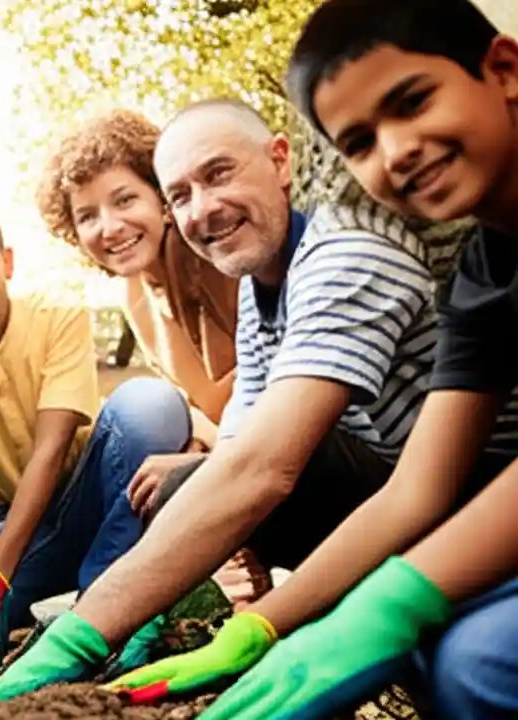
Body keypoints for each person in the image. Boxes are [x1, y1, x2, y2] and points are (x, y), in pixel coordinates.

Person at [0, 98, 474, 704]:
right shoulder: (255, 288)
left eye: (219, 174)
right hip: (403, 490)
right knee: (192, 484)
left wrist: (250, 629)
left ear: (281, 161)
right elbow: (236, 453)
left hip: (471, 499)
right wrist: (100, 627)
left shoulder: (344, 251)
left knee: (230, 465)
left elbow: (262, 467)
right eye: (182, 194)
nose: (203, 208)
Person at [148, 2, 518, 717]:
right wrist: (264, 626)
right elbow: (416, 489)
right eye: (360, 142)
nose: (398, 150)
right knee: (435, 648)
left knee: (478, 659)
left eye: (412, 102)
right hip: (473, 504)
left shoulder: (350, 253)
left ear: (503, 70)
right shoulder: (484, 270)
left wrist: (398, 595)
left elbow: (269, 467)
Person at [0, 193, 191, 671]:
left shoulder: (59, 315)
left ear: (6, 263)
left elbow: (50, 452)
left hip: (95, 485)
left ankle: (106, 601)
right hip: (10, 516)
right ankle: (20, 606)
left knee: (150, 406)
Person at [36, 110, 270, 609]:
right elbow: (207, 404)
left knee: (159, 436)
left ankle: (110, 604)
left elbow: (252, 393)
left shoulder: (217, 260)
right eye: (88, 216)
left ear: (163, 201)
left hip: (288, 444)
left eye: (125, 200)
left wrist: (196, 454)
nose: (110, 227)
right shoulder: (136, 294)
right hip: (237, 447)